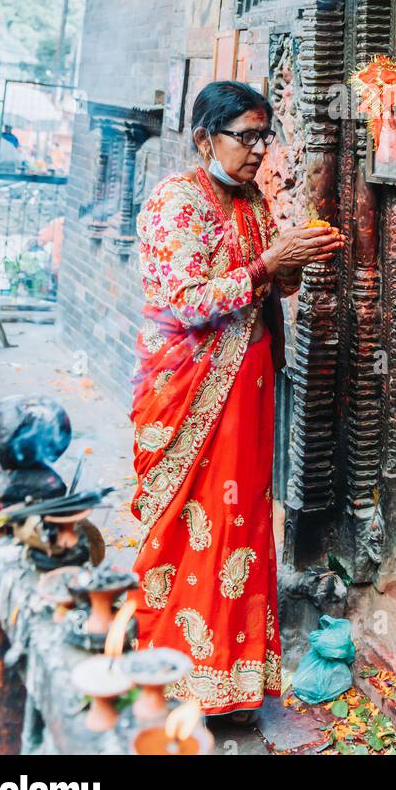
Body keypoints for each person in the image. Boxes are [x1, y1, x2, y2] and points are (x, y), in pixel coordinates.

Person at [130, 80, 342, 719]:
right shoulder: (176, 203)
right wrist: (268, 264)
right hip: (188, 392)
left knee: (242, 521)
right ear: (203, 139)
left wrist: (290, 263)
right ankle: (168, 675)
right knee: (187, 528)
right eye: (245, 137)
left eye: (263, 137)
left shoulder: (252, 200)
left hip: (247, 389)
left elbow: (269, 285)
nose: (258, 151)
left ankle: (229, 685)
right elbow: (186, 301)